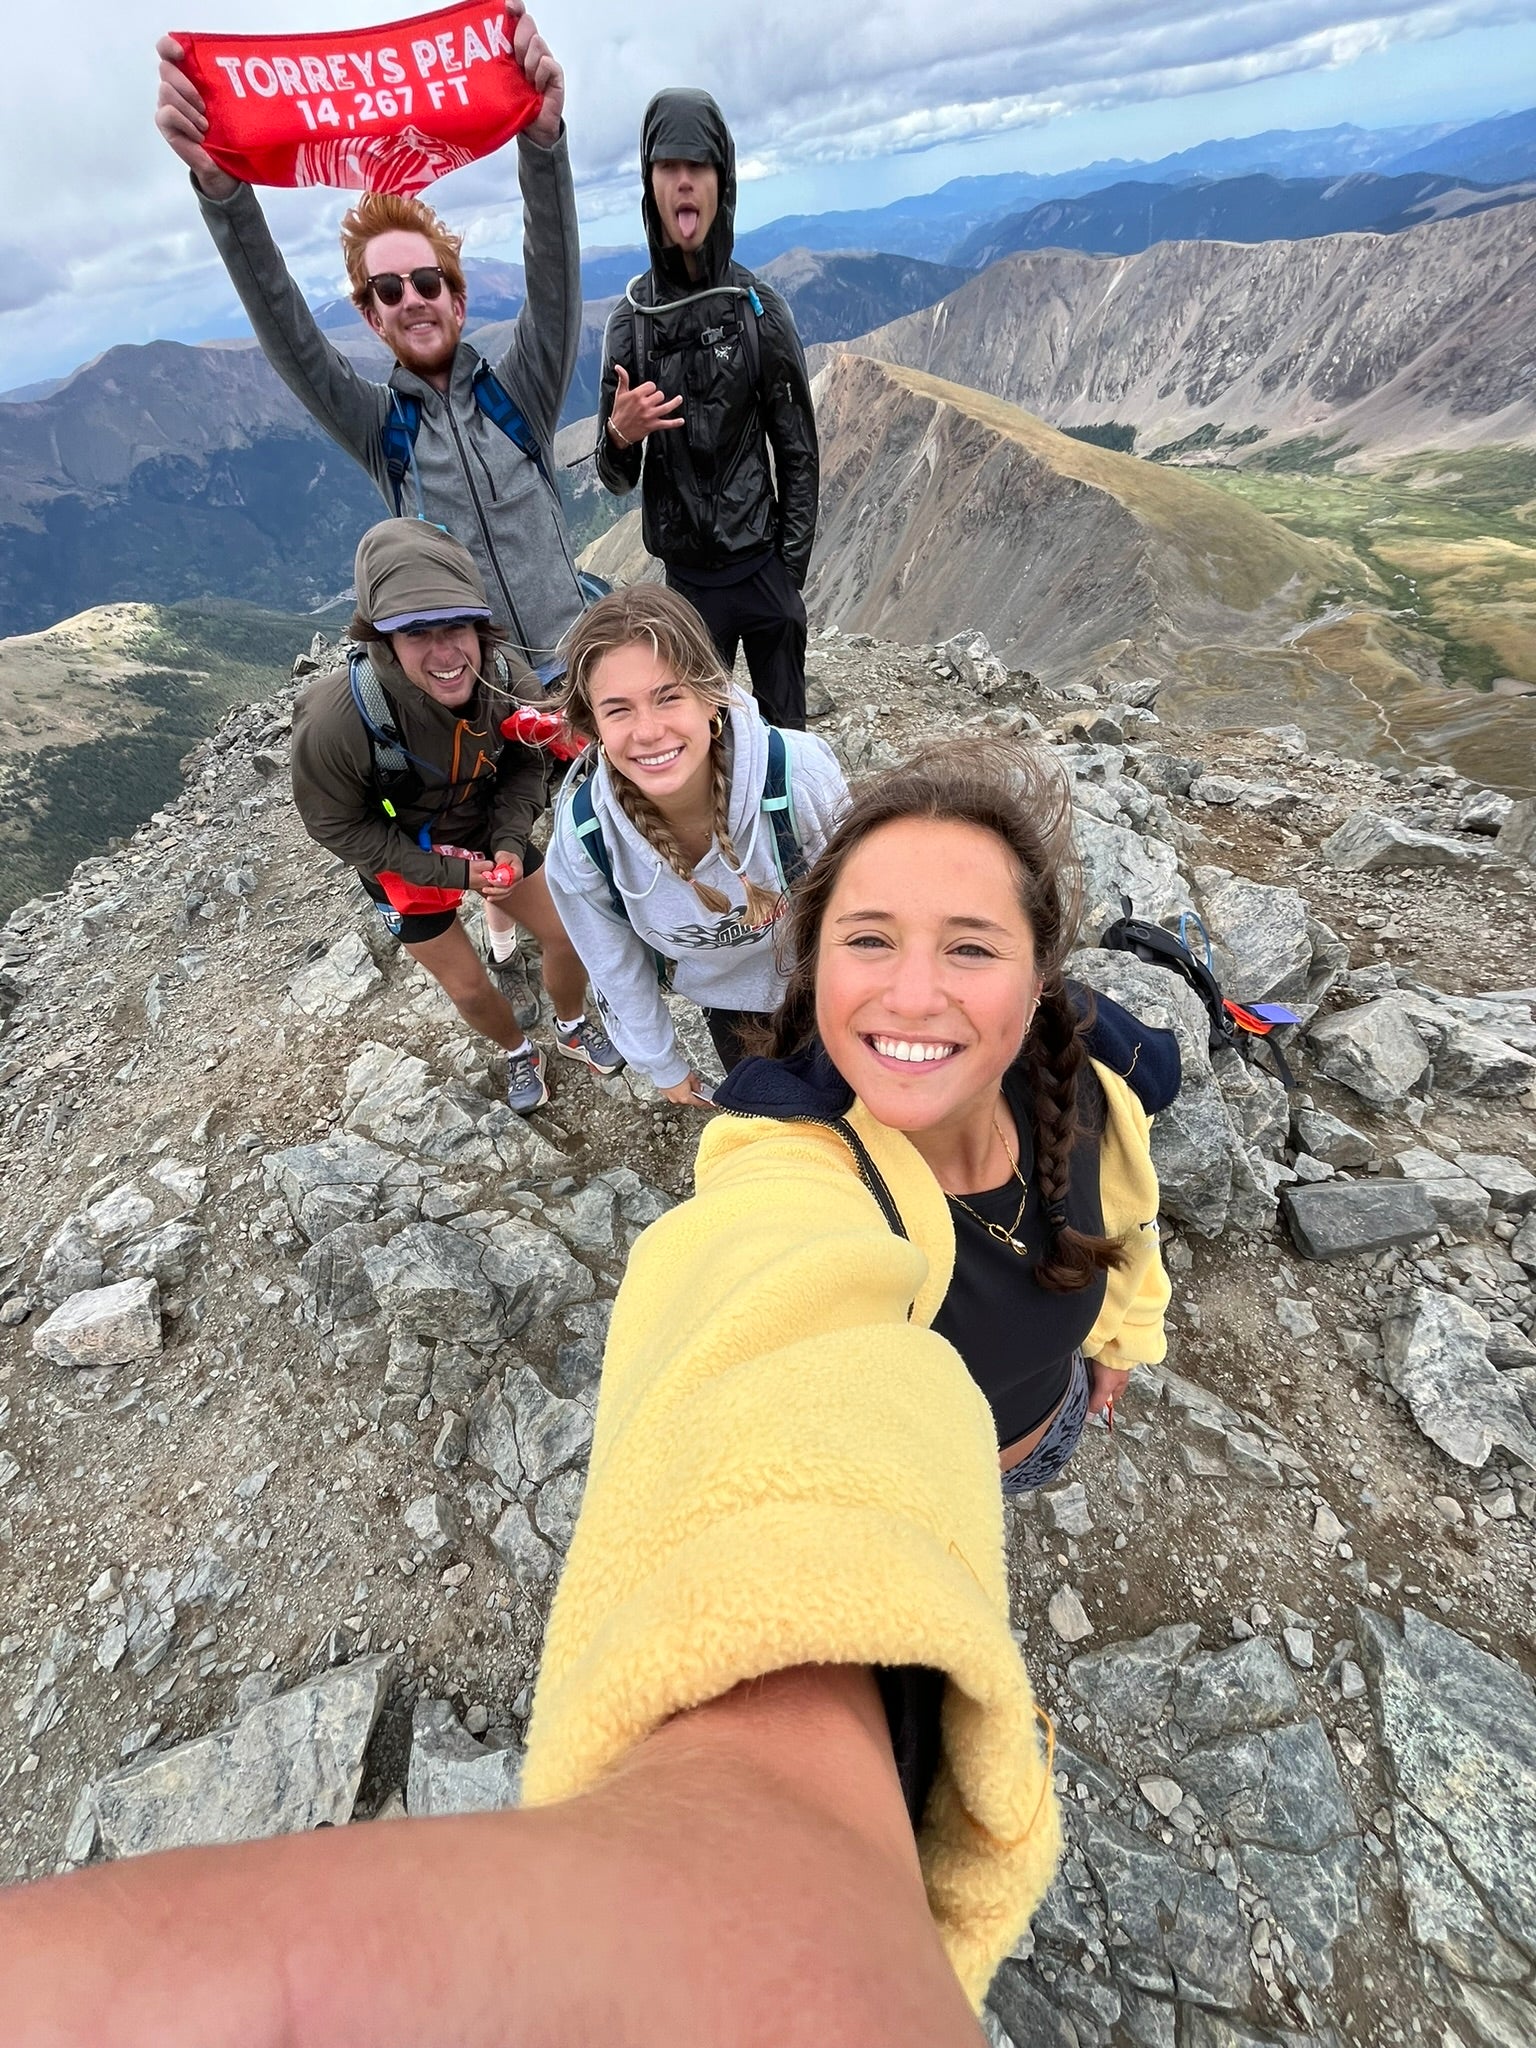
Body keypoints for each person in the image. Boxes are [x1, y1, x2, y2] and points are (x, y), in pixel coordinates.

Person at [708, 739, 1176, 1491]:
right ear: (815, 965)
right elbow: (725, 1301)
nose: (915, 995)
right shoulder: (791, 1166)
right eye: (868, 939)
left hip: (1053, 1425)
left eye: (970, 948)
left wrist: (1122, 1342)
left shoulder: (1087, 1080)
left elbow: (1132, 1222)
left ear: (1037, 983)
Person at [153, 1, 585, 674]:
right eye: (388, 290)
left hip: (579, 676)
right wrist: (224, 193)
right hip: (483, 707)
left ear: (457, 297)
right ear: (371, 318)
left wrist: (543, 142)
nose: (411, 297)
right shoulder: (380, 430)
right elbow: (289, 333)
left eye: (426, 280)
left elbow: (554, 279)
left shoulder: (521, 396)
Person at [291, 517, 622, 1110]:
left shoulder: (501, 678)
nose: (445, 653)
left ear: (479, 626)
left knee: (567, 936)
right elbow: (334, 824)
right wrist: (444, 873)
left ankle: (570, 1025)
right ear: (382, 640)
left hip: (486, 830)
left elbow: (526, 765)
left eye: (457, 628)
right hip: (401, 859)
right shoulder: (336, 720)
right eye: (417, 633)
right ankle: (519, 1049)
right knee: (468, 989)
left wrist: (508, 840)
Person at [542, 584, 847, 1103]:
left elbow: (870, 907)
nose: (647, 731)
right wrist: (661, 1061)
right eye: (617, 711)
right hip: (734, 1013)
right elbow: (614, 964)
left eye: (669, 697)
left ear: (712, 696)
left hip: (839, 990)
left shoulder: (797, 776)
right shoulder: (584, 842)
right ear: (591, 724)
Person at [595, 89, 819, 730]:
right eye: (668, 166)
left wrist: (788, 573)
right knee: (703, 749)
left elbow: (797, 449)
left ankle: (788, 832)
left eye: (700, 165)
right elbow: (616, 481)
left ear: (723, 181)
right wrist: (620, 433)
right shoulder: (631, 325)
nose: (685, 180)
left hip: (763, 569)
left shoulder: (759, 310)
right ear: (650, 185)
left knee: (786, 746)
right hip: (688, 589)